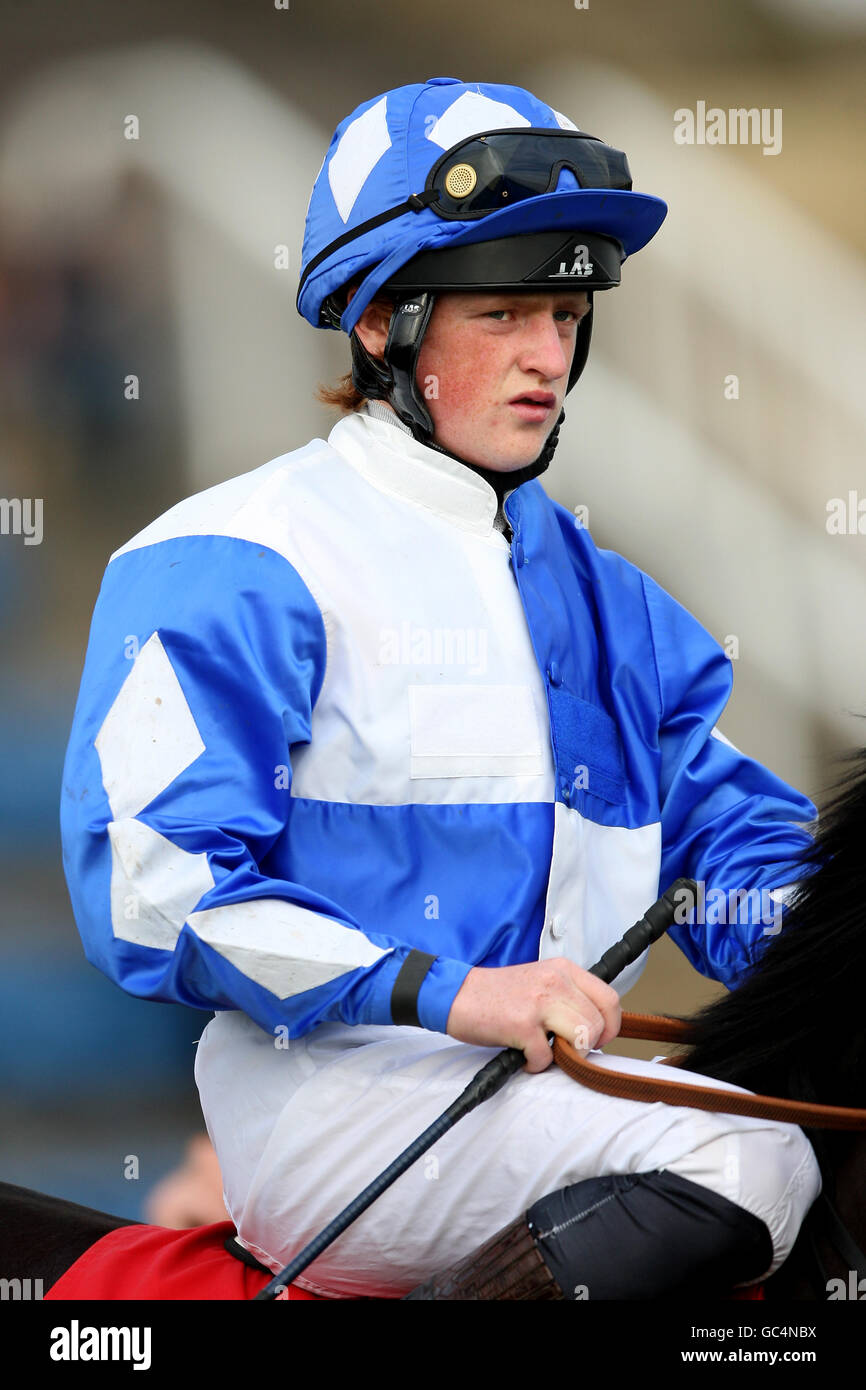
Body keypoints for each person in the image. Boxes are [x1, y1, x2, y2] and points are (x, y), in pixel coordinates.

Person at [61, 76, 821, 1299]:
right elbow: (155, 892)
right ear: (380, 322)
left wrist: (826, 937)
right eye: (504, 312)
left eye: (565, 315)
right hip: (337, 1102)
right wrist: (450, 991)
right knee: (748, 1157)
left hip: (553, 1098)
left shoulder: (610, 599)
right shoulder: (232, 559)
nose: (546, 358)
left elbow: (729, 855)